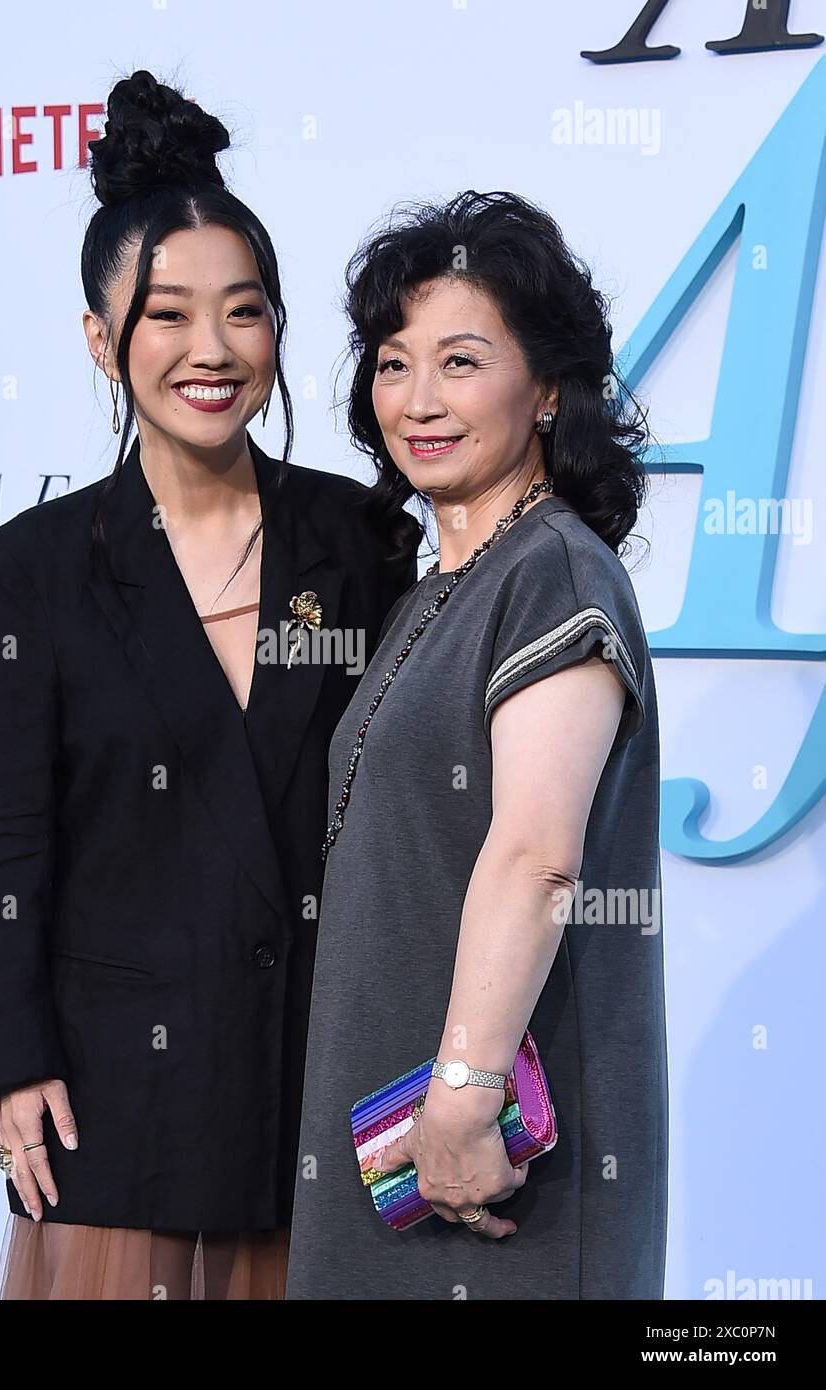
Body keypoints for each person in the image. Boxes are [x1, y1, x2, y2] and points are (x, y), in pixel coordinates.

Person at [0, 70, 420, 1301]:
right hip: (120, 1093)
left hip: (316, 1079)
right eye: (166, 316)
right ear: (101, 340)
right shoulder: (34, 571)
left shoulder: (362, 538)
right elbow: (9, 838)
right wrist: (11, 1060)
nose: (210, 351)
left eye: (244, 311)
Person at [285, 190, 669, 1300]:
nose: (416, 399)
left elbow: (536, 854)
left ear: (546, 387)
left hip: (486, 1154)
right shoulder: (432, 595)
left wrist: (460, 1091)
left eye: (459, 361)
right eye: (393, 362)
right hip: (397, 1146)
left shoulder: (550, 570)